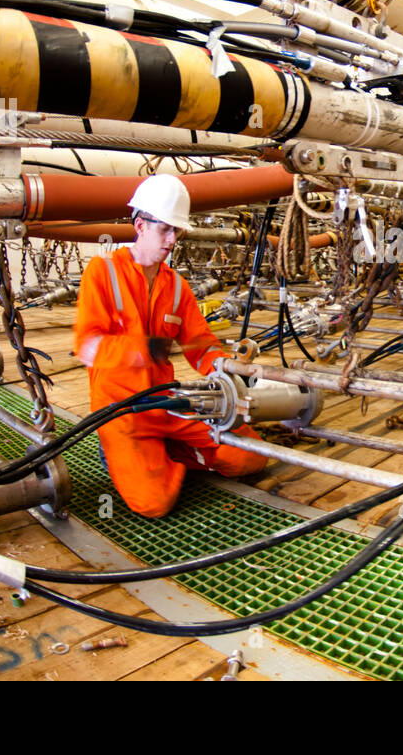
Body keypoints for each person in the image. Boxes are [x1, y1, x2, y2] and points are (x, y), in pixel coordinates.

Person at [73, 173, 267, 518]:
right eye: (164, 229)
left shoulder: (175, 286)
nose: (171, 239)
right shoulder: (101, 272)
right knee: (153, 503)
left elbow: (200, 345)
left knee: (251, 457)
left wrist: (227, 367)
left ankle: (164, 454)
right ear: (139, 224)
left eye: (176, 231)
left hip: (169, 402)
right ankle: (131, 455)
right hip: (122, 409)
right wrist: (141, 350)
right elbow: (87, 345)